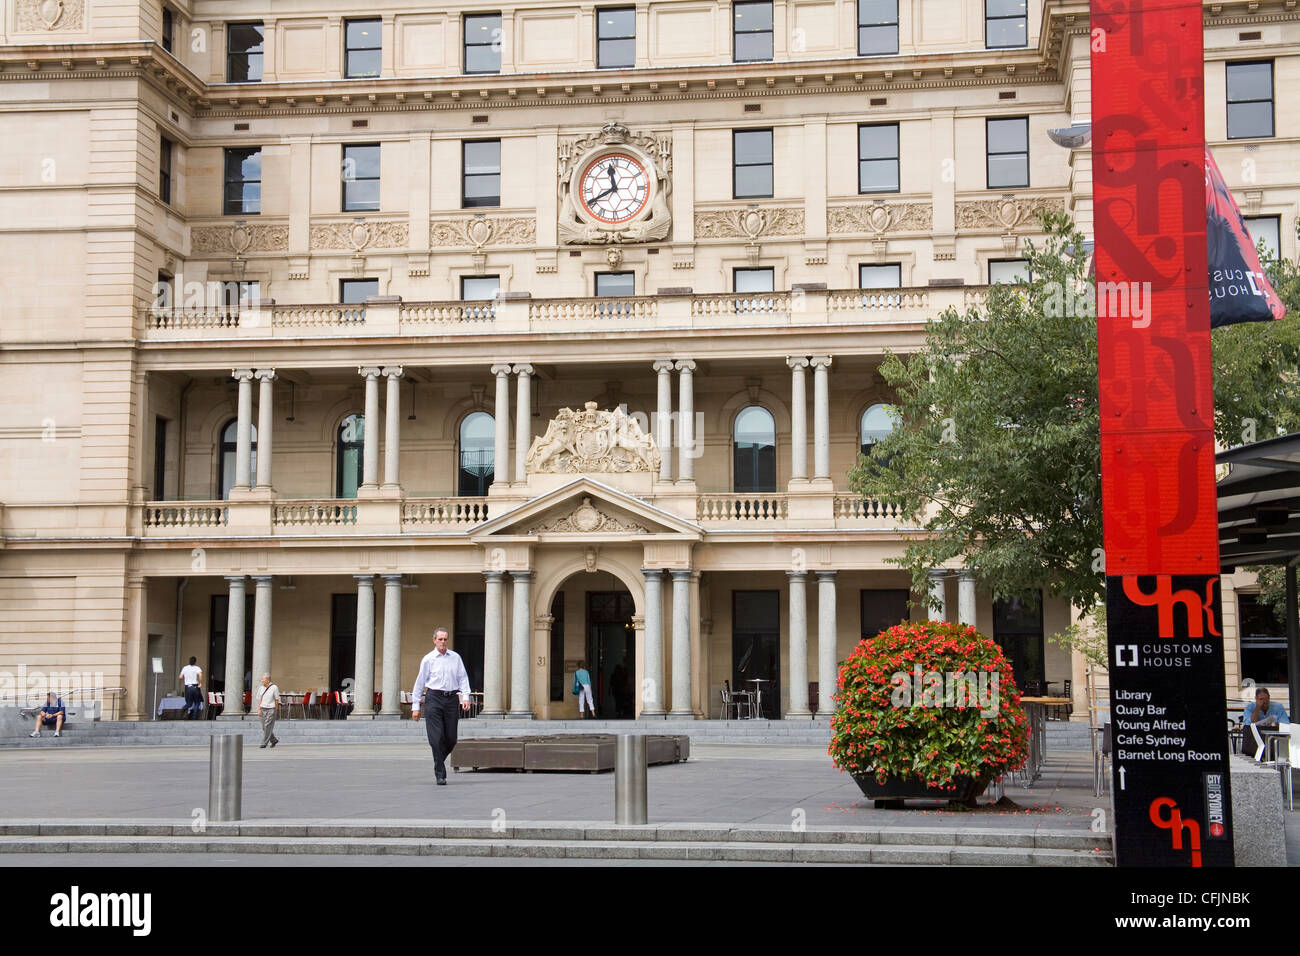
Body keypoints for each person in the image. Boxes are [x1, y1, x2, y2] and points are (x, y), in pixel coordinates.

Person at [411, 626, 471, 785]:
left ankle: (438, 761)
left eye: (445, 639)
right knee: (436, 738)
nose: (443, 642)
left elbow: (463, 678)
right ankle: (440, 773)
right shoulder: (428, 659)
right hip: (434, 698)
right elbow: (419, 683)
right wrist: (415, 707)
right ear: (434, 640)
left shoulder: (455, 657)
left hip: (451, 699)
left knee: (451, 739)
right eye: (440, 639)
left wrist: (465, 697)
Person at [256, 673, 280, 749]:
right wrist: (259, 709)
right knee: (264, 727)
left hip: (271, 709)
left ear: (268, 680)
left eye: (263, 679)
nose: (262, 680)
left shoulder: (274, 687)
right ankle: (273, 740)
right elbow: (260, 699)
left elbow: (276, 699)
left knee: (267, 726)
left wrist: (275, 709)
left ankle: (264, 743)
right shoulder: (261, 688)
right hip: (263, 708)